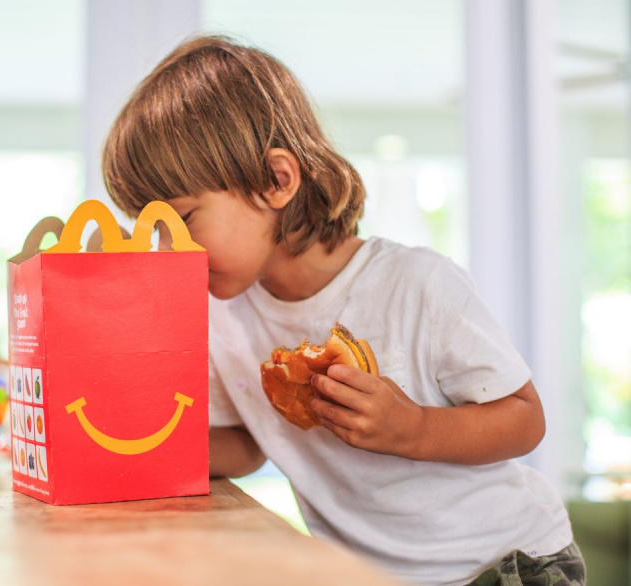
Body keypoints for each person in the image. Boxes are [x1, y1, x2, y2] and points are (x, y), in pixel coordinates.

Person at [101, 35, 586, 586]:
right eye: (153, 231)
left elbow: (525, 418)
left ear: (276, 180)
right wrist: (132, 443)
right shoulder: (224, 316)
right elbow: (247, 445)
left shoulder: (417, 285)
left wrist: (416, 428)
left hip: (505, 564)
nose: (166, 251)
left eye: (182, 220)